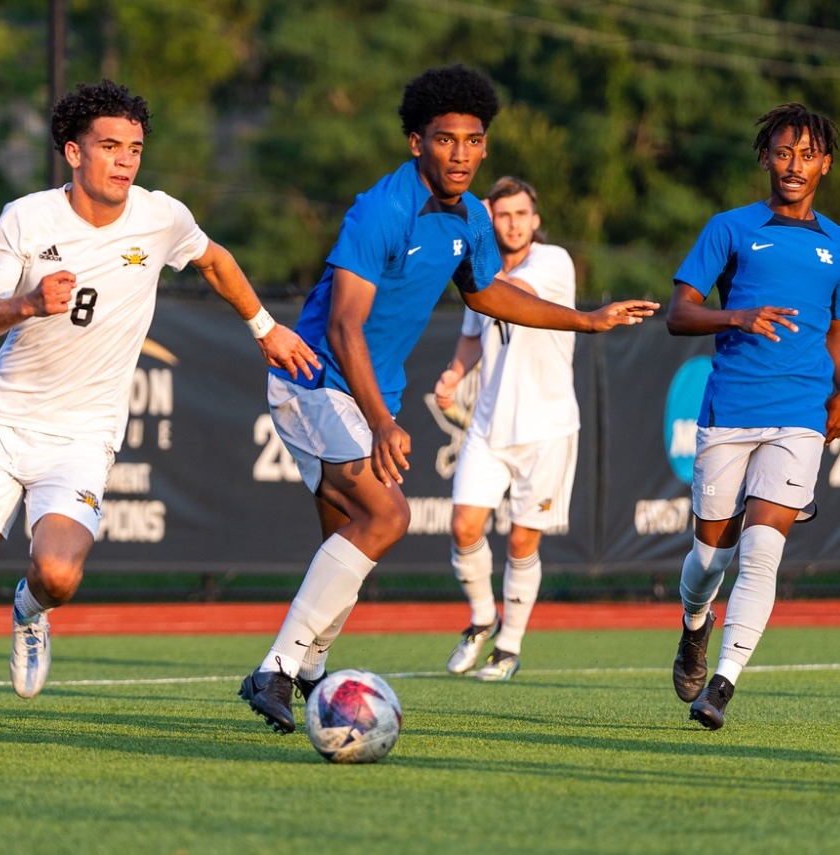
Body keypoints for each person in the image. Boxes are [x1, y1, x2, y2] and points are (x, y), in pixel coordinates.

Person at [0, 80, 319, 745]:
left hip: (82, 436)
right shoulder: (25, 218)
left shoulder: (161, 217)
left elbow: (215, 261)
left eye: (134, 148)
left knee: (57, 575)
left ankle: (30, 610)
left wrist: (265, 327)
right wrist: (27, 303)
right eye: (110, 146)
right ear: (73, 152)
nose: (125, 160)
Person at [238, 64, 658, 735]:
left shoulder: (472, 217)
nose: (461, 153)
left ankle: (312, 670)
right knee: (388, 516)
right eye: (445, 139)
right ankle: (276, 670)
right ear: (416, 143)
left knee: (349, 538)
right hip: (312, 381)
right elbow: (344, 326)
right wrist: (382, 422)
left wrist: (586, 319)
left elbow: (485, 292)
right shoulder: (383, 209)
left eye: (474, 139)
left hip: (360, 393)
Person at [667, 102, 840, 731]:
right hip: (730, 411)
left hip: (800, 416)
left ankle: (722, 684)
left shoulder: (837, 243)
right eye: (783, 152)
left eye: (807, 155)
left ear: (825, 164)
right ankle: (694, 624)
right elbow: (678, 314)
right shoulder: (730, 228)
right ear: (765, 157)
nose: (794, 165)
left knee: (763, 551)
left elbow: (838, 330)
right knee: (709, 560)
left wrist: (836, 400)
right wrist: (736, 316)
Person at [432, 176, 579, 682]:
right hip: (489, 423)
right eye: (502, 215)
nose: (513, 224)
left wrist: (471, 261)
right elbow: (473, 333)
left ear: (534, 220)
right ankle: (481, 619)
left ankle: (508, 647)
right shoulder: (484, 271)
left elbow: (513, 295)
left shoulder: (552, 260)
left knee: (521, 541)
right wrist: (454, 373)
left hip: (547, 427)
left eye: (520, 214)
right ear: (491, 220)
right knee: (463, 526)